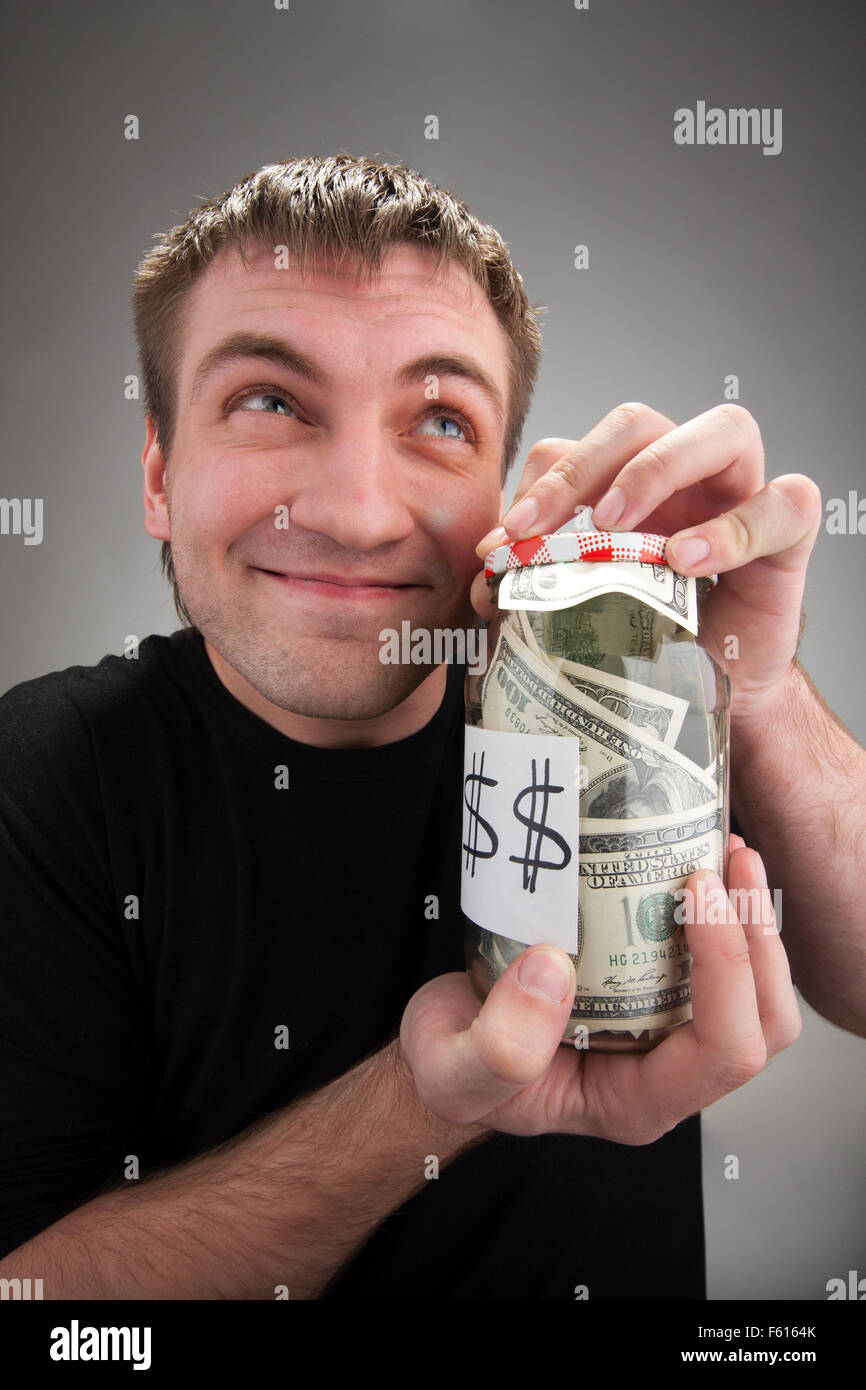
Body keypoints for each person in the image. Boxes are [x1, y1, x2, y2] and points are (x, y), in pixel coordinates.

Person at [0, 153, 863, 1301]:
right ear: (160, 474)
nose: (359, 515)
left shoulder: (632, 703)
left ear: (505, 496)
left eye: (442, 420)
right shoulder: (43, 777)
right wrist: (426, 1102)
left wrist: (751, 684)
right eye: (269, 401)